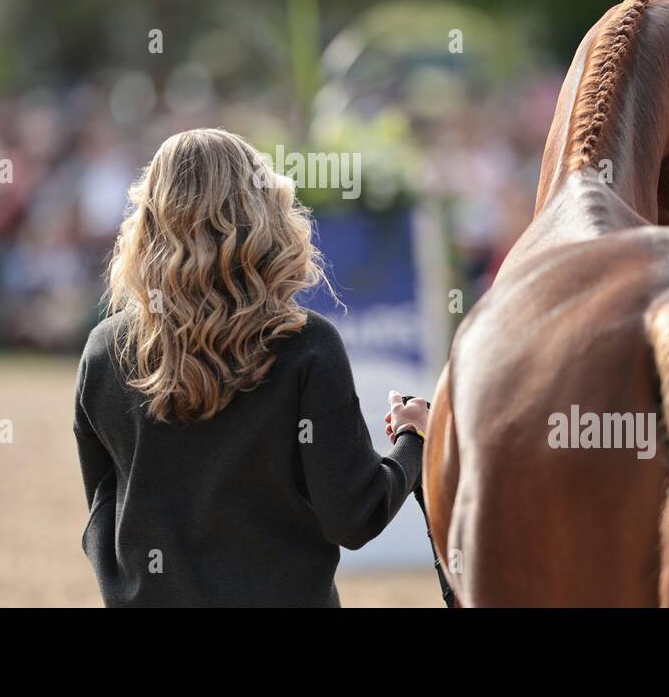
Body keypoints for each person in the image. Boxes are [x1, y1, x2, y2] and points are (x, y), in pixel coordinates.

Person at [73, 128, 430, 606]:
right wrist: (413, 442)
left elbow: (103, 510)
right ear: (263, 215)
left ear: (149, 219)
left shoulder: (103, 350)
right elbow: (355, 516)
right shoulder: (307, 346)